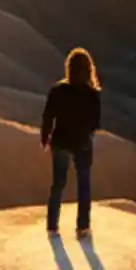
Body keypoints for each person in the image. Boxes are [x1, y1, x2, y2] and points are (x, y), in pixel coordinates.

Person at [41, 47, 102, 237]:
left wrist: (45, 137)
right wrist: (85, 134)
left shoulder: (58, 91)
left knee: (58, 184)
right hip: (82, 143)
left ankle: (52, 226)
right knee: (83, 185)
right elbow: (96, 122)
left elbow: (48, 117)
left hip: (60, 142)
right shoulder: (92, 94)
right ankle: (83, 227)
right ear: (89, 69)